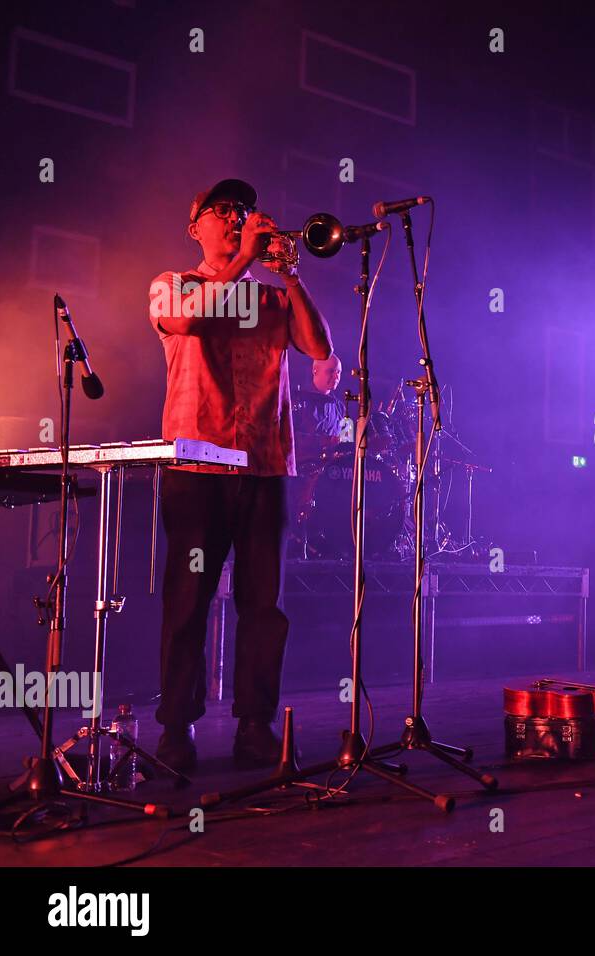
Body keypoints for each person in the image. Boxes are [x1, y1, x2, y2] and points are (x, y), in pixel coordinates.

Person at [148, 178, 333, 772]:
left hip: (264, 467)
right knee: (188, 601)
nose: (236, 217)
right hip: (198, 468)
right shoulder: (173, 286)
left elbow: (319, 348)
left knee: (263, 606)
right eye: (222, 210)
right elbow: (190, 322)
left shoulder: (271, 298)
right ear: (194, 226)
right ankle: (177, 729)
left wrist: (291, 275)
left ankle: (255, 725)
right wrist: (246, 260)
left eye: (243, 210)